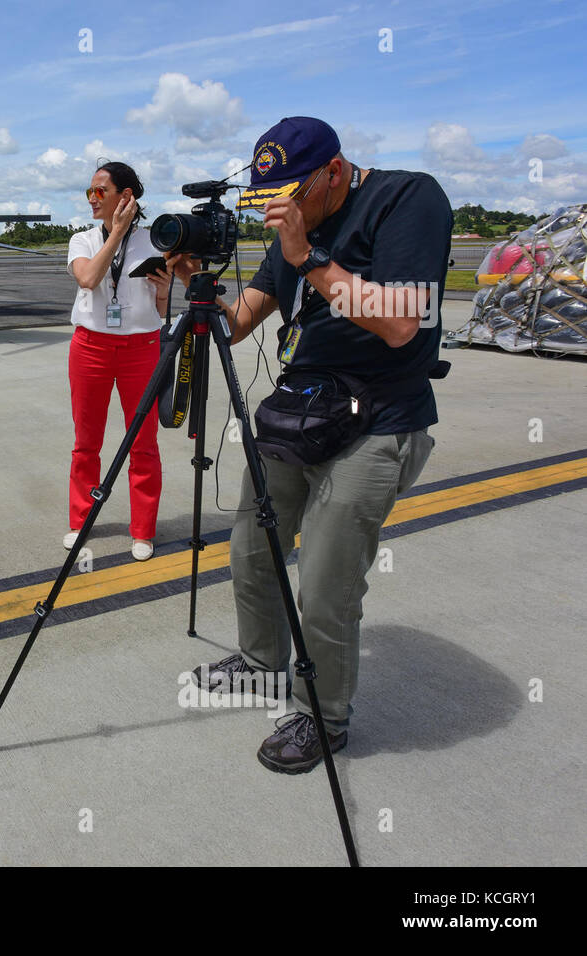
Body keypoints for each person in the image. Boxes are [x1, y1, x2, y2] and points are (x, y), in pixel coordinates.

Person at [171, 116, 452, 773]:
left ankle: (321, 719)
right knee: (250, 545)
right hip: (302, 409)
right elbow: (241, 323)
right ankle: (262, 659)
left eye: (294, 193)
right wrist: (187, 288)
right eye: (272, 199)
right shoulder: (292, 226)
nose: (282, 210)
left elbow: (404, 324)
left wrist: (310, 259)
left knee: (325, 582)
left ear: (334, 170)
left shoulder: (407, 199)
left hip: (379, 418)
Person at [66, 161, 171, 561]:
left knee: (143, 443)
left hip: (140, 348)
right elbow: (89, 279)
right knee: (86, 443)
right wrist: (118, 233)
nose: (92, 199)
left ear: (126, 197)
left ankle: (143, 529)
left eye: (100, 192)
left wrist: (162, 291)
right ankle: (80, 522)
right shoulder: (82, 240)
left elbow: (159, 310)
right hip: (90, 347)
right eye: (89, 192)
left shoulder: (156, 242)